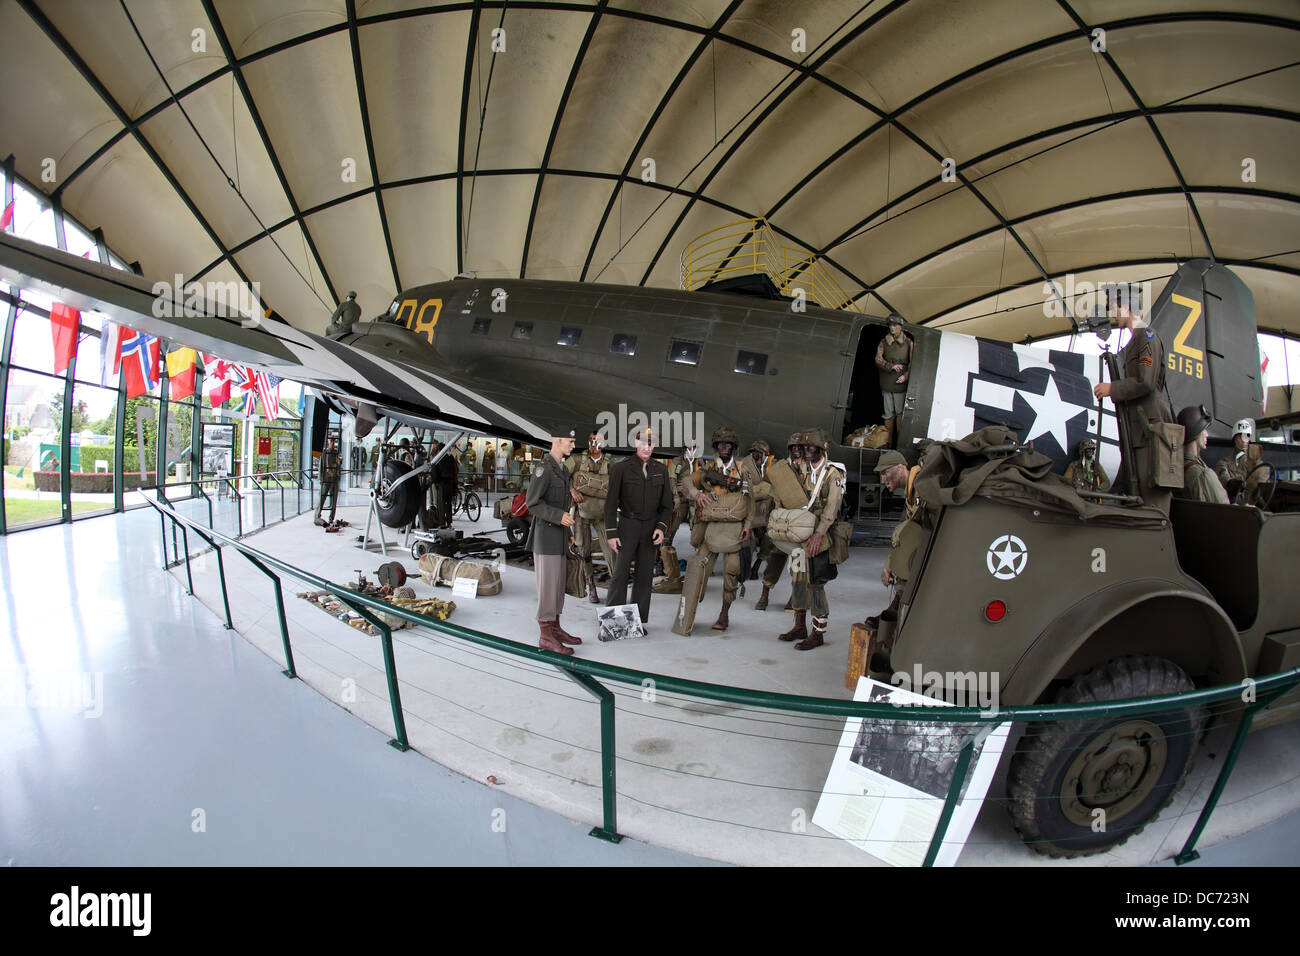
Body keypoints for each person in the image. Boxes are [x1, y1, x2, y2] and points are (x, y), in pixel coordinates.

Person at [1092, 290, 1176, 514]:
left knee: (1152, 499)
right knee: (1139, 496)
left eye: (1114, 308)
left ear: (1127, 307)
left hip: (1150, 430)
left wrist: (1112, 389)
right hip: (1140, 429)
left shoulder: (1146, 336)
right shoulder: (1136, 340)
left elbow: (1146, 381)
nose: (1112, 314)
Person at [672, 426, 749, 636]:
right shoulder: (707, 468)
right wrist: (697, 494)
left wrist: (749, 526)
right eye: (720, 444)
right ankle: (687, 616)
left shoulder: (742, 469)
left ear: (733, 447)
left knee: (731, 572)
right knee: (698, 572)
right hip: (710, 527)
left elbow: (752, 500)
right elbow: (687, 480)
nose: (724, 447)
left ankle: (724, 613)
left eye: (728, 444)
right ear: (716, 447)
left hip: (733, 528)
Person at [779, 428, 845, 651]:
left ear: (822, 449)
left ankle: (818, 632)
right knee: (798, 579)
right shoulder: (802, 469)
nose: (805, 451)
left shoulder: (832, 474)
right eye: (804, 447)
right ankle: (799, 626)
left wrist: (819, 533)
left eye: (810, 448)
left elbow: (832, 507)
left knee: (816, 584)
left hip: (821, 535)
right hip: (801, 532)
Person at [604, 427, 673, 631]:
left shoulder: (660, 470)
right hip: (627, 525)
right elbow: (610, 504)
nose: (646, 447)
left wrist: (661, 528)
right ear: (635, 443)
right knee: (620, 574)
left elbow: (667, 506)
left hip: (650, 528)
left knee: (644, 576)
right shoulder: (621, 469)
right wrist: (611, 533)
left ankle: (637, 623)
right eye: (643, 443)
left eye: (650, 444)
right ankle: (613, 625)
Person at [524, 427, 583, 656]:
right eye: (570, 440)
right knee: (548, 587)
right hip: (546, 537)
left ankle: (555, 628)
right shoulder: (544, 469)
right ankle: (545, 635)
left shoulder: (561, 469)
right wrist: (559, 517)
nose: (572, 444)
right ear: (557, 441)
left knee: (558, 587)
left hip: (558, 537)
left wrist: (566, 530)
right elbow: (532, 503)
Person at [754, 432, 807, 611]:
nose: (797, 451)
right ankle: (765, 593)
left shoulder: (810, 470)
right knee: (774, 558)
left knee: (799, 562)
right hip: (780, 520)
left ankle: (795, 596)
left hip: (800, 523)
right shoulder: (780, 468)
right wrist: (766, 520)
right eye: (793, 448)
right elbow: (769, 496)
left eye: (800, 448)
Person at [568, 432, 616, 603]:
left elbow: (619, 485)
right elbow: (560, 474)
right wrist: (572, 490)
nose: (594, 444)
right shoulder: (576, 460)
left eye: (598, 441)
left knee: (611, 552)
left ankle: (615, 588)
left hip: (603, 515)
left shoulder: (611, 464)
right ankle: (591, 587)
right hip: (581, 514)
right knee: (583, 551)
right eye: (591, 440)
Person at [652, 442, 699, 595]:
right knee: (669, 533)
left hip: (695, 503)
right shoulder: (678, 462)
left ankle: (700, 567)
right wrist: (675, 498)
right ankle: (661, 564)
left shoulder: (700, 462)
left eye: (694, 448)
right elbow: (672, 479)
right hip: (682, 502)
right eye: (688, 448)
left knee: (698, 532)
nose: (691, 451)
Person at [1177, 405, 1229, 504]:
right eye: (1204, 430)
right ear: (1195, 432)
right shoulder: (1203, 474)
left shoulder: (1177, 468)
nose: (1207, 434)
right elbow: (1227, 510)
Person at [740, 439, 775, 583]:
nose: (756, 456)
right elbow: (746, 490)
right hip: (750, 508)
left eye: (760, 453)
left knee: (771, 536)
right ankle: (745, 568)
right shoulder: (744, 465)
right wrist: (764, 488)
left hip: (767, 509)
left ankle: (758, 563)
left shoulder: (771, 465)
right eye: (754, 453)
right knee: (747, 540)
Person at [875, 315, 912, 448]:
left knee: (900, 414)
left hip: (900, 384)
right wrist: (890, 366)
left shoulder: (908, 343)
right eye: (890, 325)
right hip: (887, 383)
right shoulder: (884, 342)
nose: (892, 327)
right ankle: (889, 442)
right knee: (888, 414)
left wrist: (906, 376)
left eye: (895, 325)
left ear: (901, 327)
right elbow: (878, 359)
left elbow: (912, 362)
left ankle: (899, 443)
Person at [1215, 418, 1258, 500]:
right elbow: (1226, 480)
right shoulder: (1223, 463)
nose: (1244, 440)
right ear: (1235, 439)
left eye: (1247, 436)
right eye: (1240, 436)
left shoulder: (1255, 463)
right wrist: (1232, 483)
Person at [315, 434, 341, 525]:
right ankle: (317, 516)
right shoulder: (324, 453)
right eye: (331, 441)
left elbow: (339, 464)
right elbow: (321, 465)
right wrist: (320, 478)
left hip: (334, 478)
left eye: (334, 442)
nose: (333, 443)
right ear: (328, 442)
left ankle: (331, 518)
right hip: (326, 478)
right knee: (322, 497)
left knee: (333, 500)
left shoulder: (336, 453)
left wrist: (339, 462)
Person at [433, 440, 459, 526]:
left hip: (441, 483)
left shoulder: (438, 459)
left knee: (441, 503)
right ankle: (449, 522)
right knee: (448, 504)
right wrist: (455, 485)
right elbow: (455, 471)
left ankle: (441, 522)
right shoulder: (450, 458)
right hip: (450, 483)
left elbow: (435, 472)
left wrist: (435, 482)